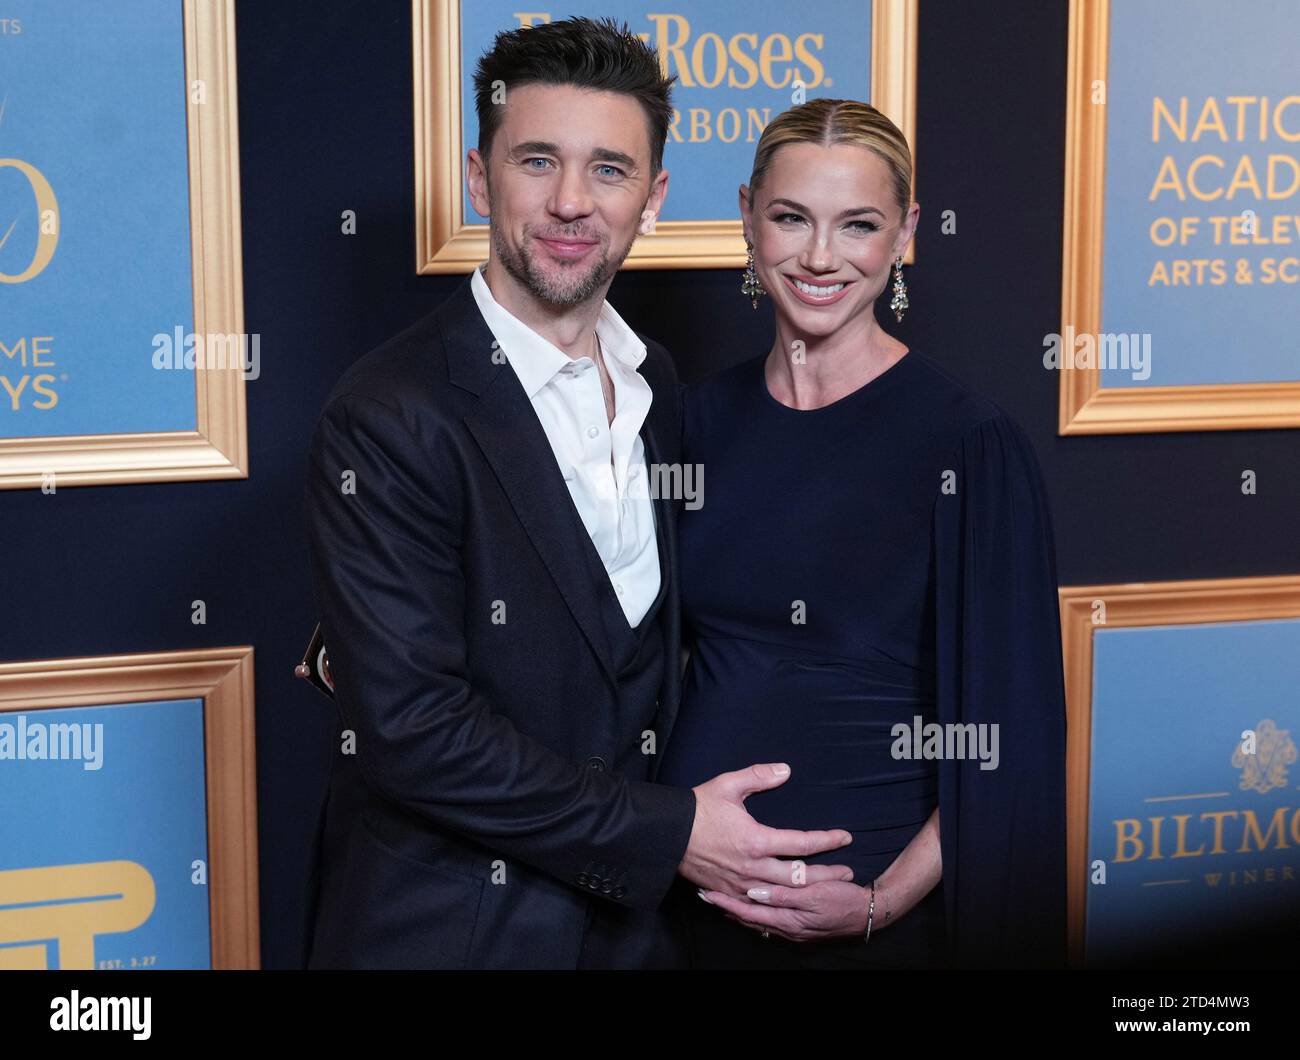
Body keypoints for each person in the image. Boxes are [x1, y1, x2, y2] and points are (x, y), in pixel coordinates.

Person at [301, 18, 853, 970]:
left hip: (639, 938)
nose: (570, 202)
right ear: (479, 179)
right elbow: (414, 733)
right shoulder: (388, 414)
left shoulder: (656, 386)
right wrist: (671, 833)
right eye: (537, 161)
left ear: (654, 197)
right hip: (449, 935)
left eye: (608, 169)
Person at [657, 98, 1068, 969]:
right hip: (684, 914)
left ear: (905, 232)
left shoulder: (967, 445)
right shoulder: (693, 423)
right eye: (790, 218)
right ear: (746, 216)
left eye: (858, 225)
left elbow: (1010, 734)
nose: (819, 256)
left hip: (873, 921)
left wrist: (881, 903)